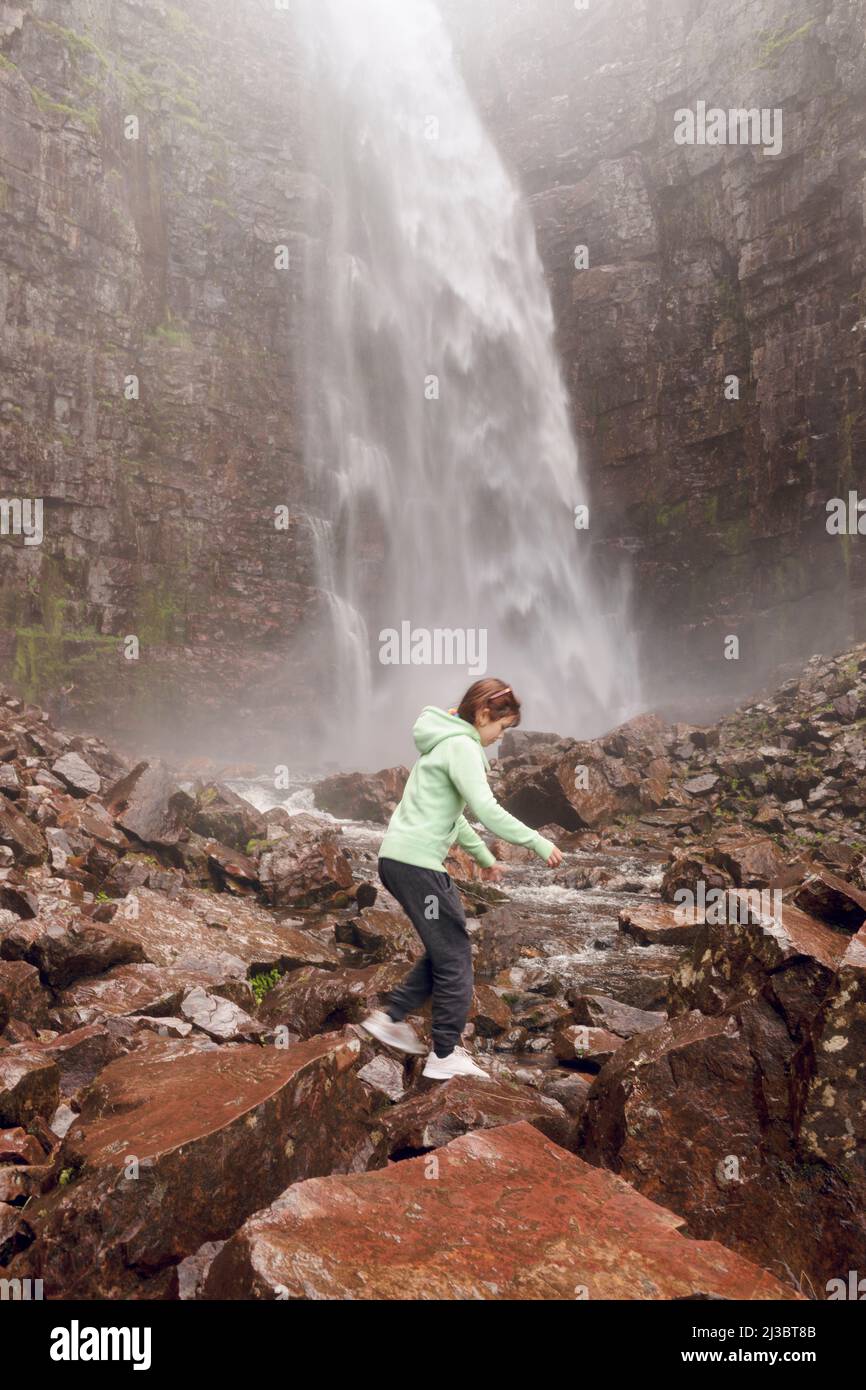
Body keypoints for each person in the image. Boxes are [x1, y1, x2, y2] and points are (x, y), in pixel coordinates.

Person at [360, 677, 563, 1080]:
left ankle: (392, 1017)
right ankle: (444, 1054)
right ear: (484, 713)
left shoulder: (441, 745)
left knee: (443, 947)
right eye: (501, 728)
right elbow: (485, 809)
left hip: (397, 860)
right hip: (418, 866)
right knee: (455, 955)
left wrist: (484, 858)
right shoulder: (463, 746)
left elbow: (456, 819)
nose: (498, 738)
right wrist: (538, 842)